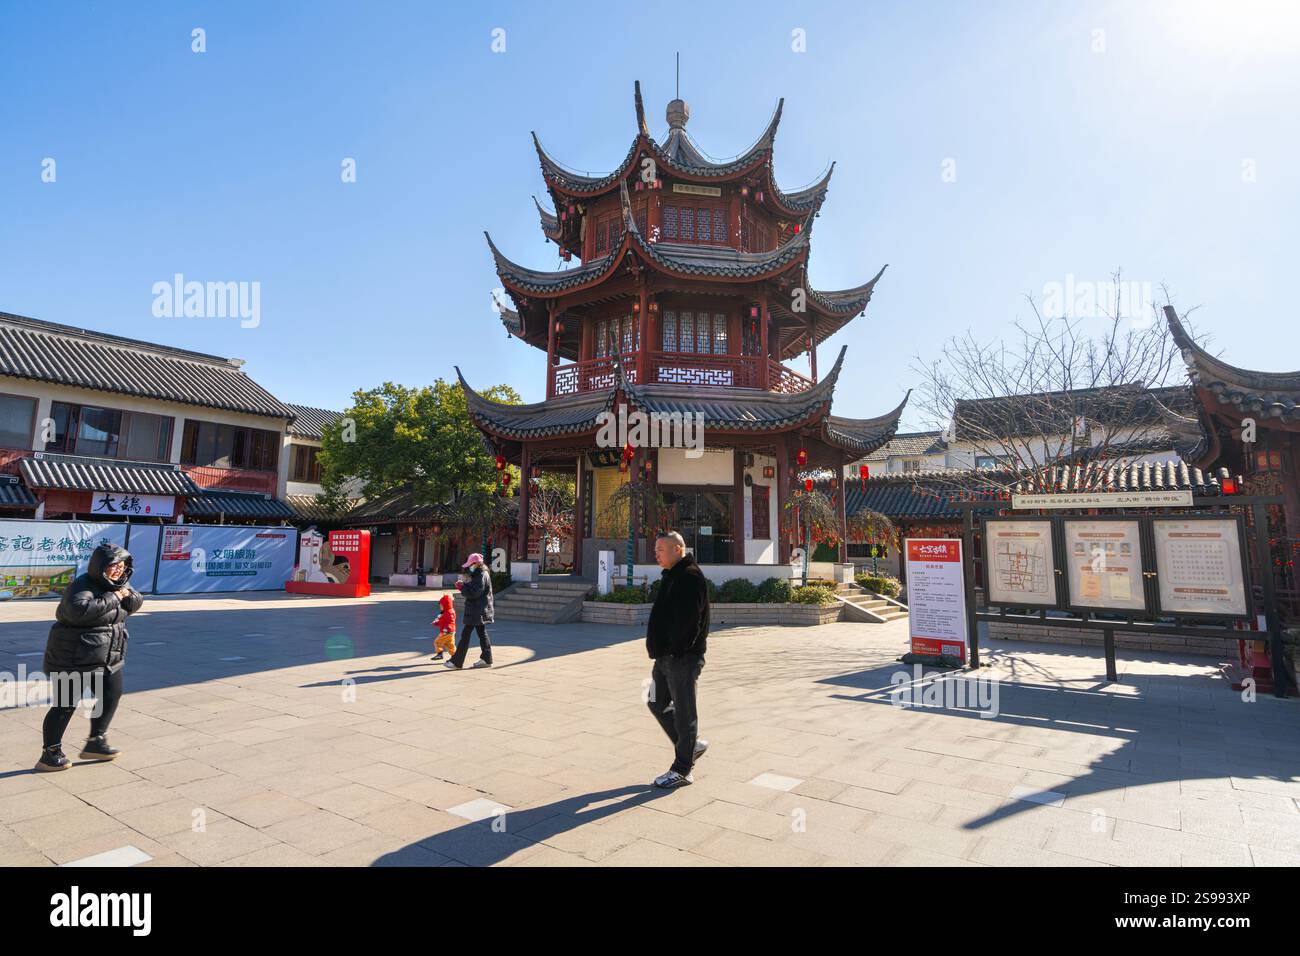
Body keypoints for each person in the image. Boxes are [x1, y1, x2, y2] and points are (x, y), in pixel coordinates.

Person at [36, 541, 143, 772]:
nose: (118, 570)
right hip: (71, 658)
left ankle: (96, 741)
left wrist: (127, 596)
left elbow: (134, 603)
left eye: (122, 565)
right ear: (100, 566)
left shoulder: (120, 583)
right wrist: (115, 597)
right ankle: (50, 753)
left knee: (112, 694)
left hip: (107, 657)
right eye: (113, 565)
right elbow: (78, 612)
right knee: (65, 705)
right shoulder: (82, 585)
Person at [644, 531, 710, 789]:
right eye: (656, 548)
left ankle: (683, 769)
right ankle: (691, 746)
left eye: (661, 549)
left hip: (682, 656)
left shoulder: (691, 577)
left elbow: (691, 622)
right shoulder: (672, 575)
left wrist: (677, 650)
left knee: (685, 713)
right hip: (665, 656)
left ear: (678, 550)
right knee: (655, 701)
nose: (656, 553)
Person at [445, 553, 493, 670]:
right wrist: (465, 585)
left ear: (476, 564)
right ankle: (487, 659)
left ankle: (456, 662)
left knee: (465, 635)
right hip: (480, 609)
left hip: (477, 610)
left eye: (470, 565)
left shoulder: (481, 575)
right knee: (482, 634)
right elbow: (475, 589)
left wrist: (463, 588)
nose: (469, 567)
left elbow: (474, 593)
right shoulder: (481, 573)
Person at [431, 593, 457, 661]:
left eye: (441, 605)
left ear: (446, 605)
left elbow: (450, 622)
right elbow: (442, 620)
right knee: (450, 645)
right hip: (450, 631)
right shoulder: (445, 612)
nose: (440, 607)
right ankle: (454, 657)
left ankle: (439, 653)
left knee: (437, 642)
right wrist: (436, 623)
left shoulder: (449, 612)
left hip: (446, 631)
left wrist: (446, 628)